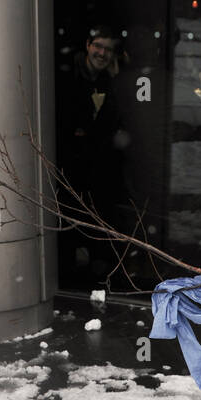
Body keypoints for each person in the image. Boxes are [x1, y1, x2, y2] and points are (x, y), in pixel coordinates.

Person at [56, 24, 126, 287]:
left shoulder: (111, 80)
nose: (102, 53)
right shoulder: (67, 76)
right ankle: (70, 277)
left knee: (99, 218)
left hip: (99, 166)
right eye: (98, 46)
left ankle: (95, 275)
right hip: (70, 165)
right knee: (70, 220)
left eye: (108, 49)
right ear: (87, 45)